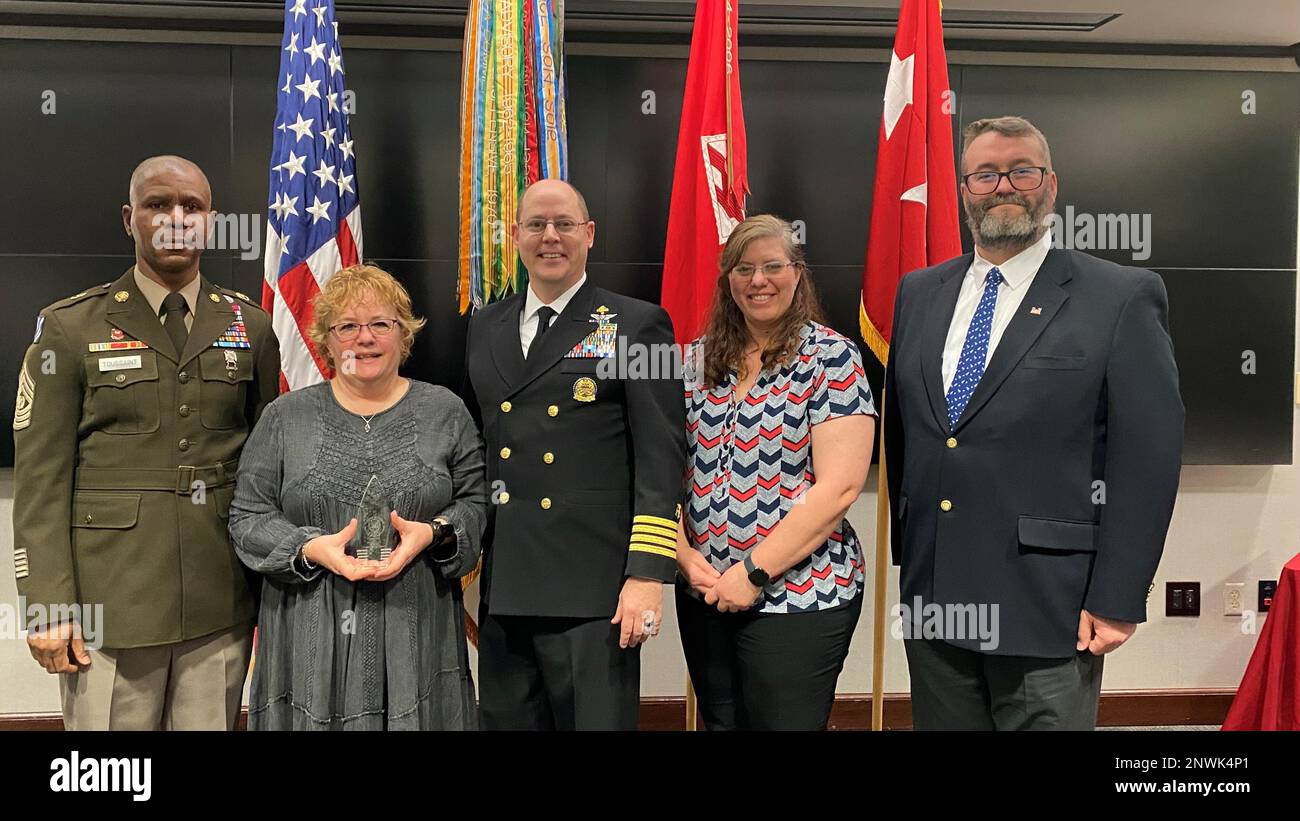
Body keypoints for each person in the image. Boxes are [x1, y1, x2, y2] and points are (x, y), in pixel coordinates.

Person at [883, 116, 1184, 730]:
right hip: (935, 598)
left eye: (1021, 170)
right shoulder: (918, 292)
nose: (1004, 187)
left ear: (1050, 184)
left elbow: (1147, 460)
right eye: (985, 174)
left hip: (1050, 604)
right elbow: (912, 436)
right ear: (964, 189)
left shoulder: (1119, 295)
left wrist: (1118, 595)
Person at [13, 155, 279, 730]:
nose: (177, 218)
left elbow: (265, 469)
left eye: (193, 207)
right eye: (159, 205)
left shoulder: (251, 326)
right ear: (130, 219)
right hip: (109, 606)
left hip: (218, 600)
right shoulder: (70, 327)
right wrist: (46, 605)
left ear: (210, 221)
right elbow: (41, 482)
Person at [463, 179, 687, 730]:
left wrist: (646, 577)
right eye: (536, 225)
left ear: (588, 234)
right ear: (515, 236)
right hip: (506, 583)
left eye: (564, 224)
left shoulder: (635, 324)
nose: (550, 237)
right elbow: (476, 447)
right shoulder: (483, 325)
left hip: (595, 593)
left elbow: (662, 458)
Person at [228, 264, 486, 730]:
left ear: (403, 335)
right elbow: (248, 516)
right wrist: (309, 548)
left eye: (380, 324)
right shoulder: (285, 418)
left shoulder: (446, 411)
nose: (363, 338)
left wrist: (433, 533)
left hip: (417, 632)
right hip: (309, 637)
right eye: (347, 326)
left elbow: (474, 503)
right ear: (326, 340)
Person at [675, 214, 875, 730]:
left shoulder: (831, 357)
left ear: (797, 273)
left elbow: (840, 488)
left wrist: (754, 571)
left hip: (800, 595)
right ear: (727, 281)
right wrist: (681, 555)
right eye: (744, 269)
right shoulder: (694, 361)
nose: (758, 280)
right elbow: (661, 469)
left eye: (772, 266)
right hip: (706, 590)